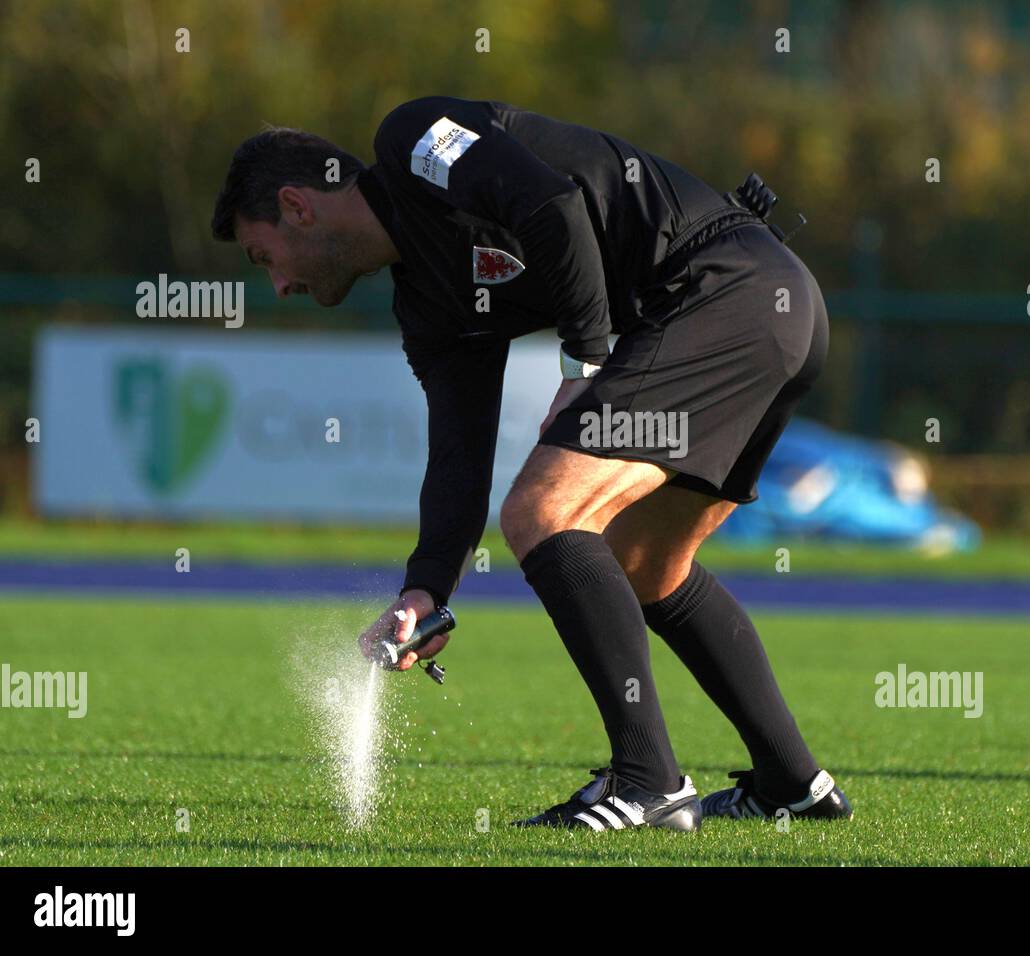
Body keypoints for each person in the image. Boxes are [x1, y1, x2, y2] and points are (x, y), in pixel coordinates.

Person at [211, 95, 852, 830]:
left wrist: (584, 360)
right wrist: (426, 589)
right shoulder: (427, 305)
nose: (278, 284)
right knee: (647, 562)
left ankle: (648, 780)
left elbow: (550, 203)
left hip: (724, 290)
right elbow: (458, 450)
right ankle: (790, 783)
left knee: (544, 512)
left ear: (297, 206)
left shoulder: (414, 139)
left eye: (264, 258)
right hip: (772, 308)